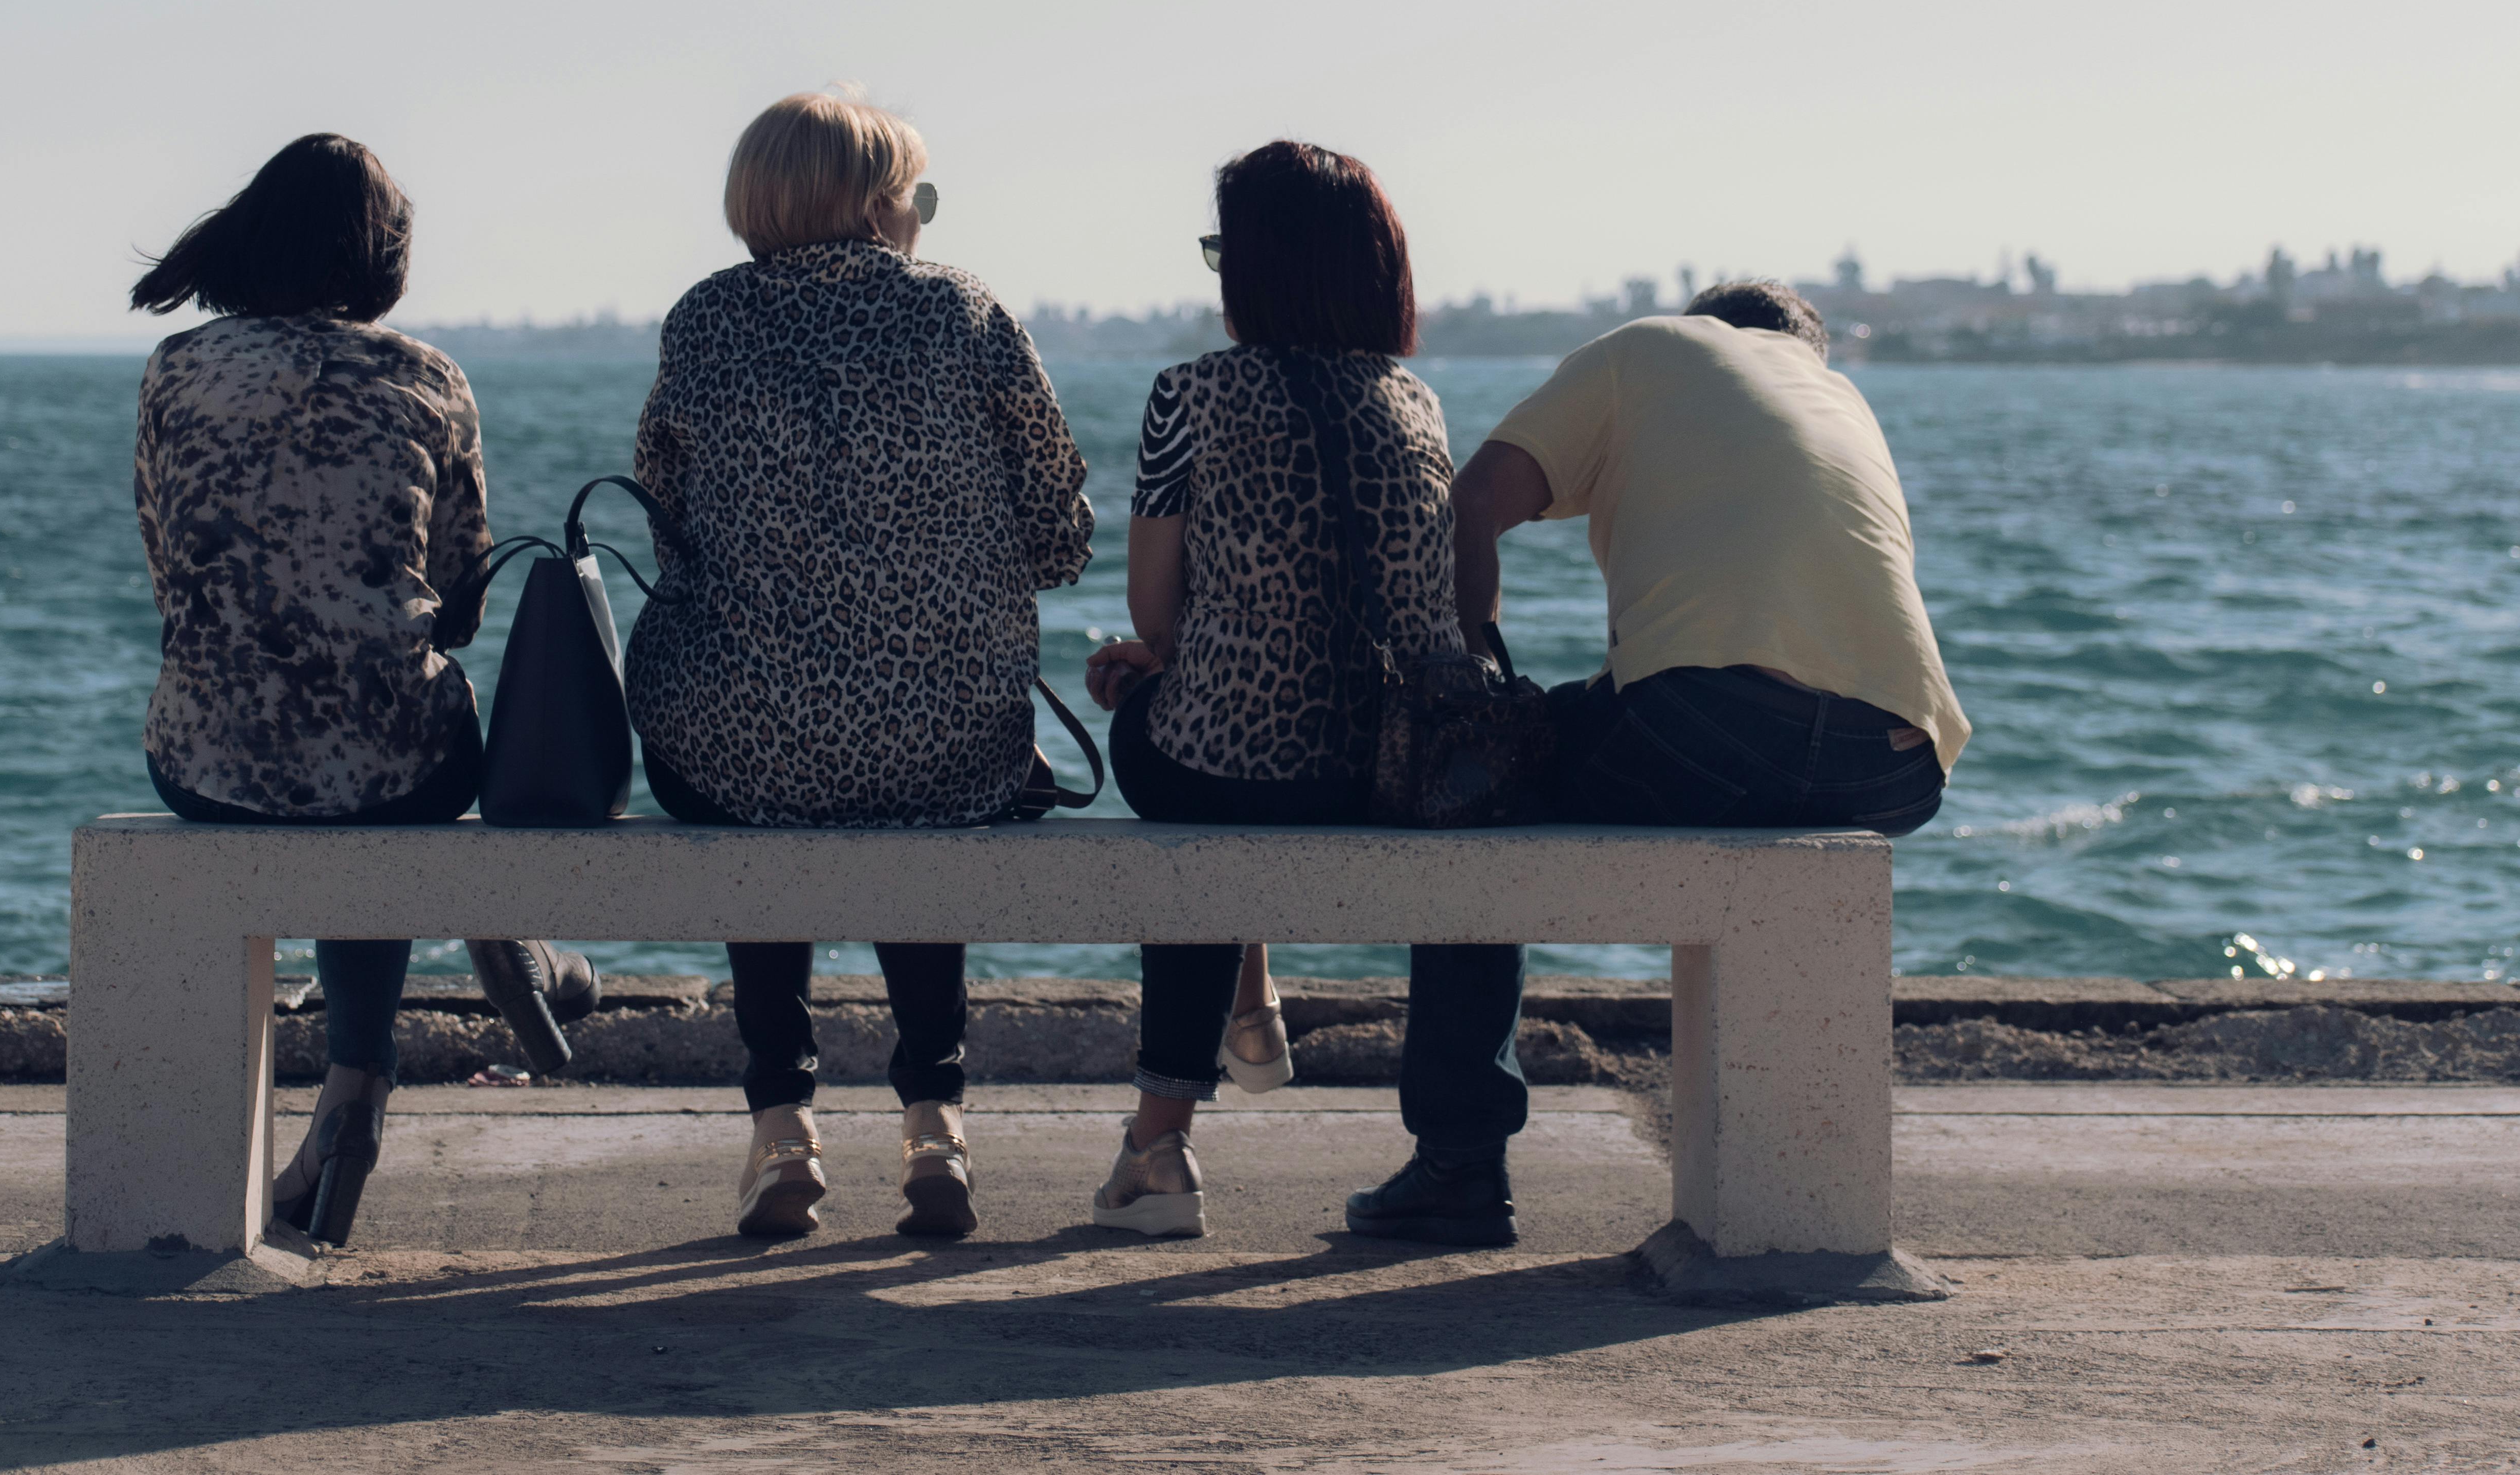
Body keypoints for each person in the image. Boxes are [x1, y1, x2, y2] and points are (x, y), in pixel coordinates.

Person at [1342, 278, 1970, 1246]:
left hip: (1709, 723)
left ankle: (1457, 1165)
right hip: (1898, 763)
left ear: (1704, 325)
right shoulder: (1839, 398)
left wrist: (1473, 689)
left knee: (1473, 796)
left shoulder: (1650, 348)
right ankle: (1791, 1177)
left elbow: (1470, 502)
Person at [623, 91, 1094, 1241]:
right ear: (879, 206)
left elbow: (668, 518)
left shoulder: (704, 321)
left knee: (754, 756)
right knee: (921, 780)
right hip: (947, 747)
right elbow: (1059, 526)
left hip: (741, 746)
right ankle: (936, 1122)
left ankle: (783, 1125)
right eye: (917, 194)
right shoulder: (964, 310)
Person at [129, 133, 595, 1251]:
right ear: (381, 253)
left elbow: (169, 568)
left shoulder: (177, 370)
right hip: (398, 766)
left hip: (203, 761)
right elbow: (463, 596)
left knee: (335, 742)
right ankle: (365, 1089)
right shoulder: (428, 377)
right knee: (385, 747)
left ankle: (354, 1107)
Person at [1079, 140, 1480, 1238]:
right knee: (1219, 760)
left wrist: (1158, 661)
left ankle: (1161, 1143)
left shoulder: (1188, 394)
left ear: (1254, 268)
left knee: (1170, 747)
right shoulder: (1418, 403)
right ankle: (1246, 1001)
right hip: (1399, 770)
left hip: (1230, 770)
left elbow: (1156, 617)